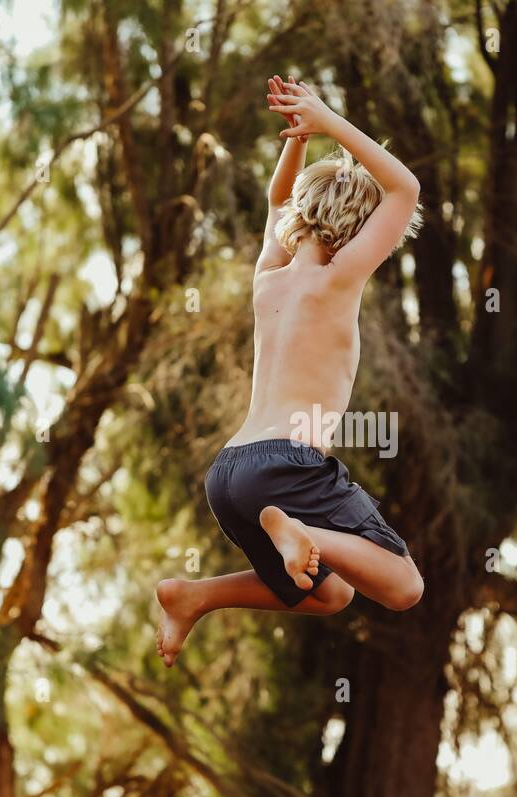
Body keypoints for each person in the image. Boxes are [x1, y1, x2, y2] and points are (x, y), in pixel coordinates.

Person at [155, 76, 425, 667]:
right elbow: (405, 187)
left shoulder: (269, 277)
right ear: (359, 229)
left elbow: (279, 201)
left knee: (330, 591)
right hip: (285, 468)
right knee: (405, 587)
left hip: (229, 475)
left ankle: (193, 597)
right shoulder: (339, 276)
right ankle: (297, 528)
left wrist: (297, 142)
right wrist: (326, 121)